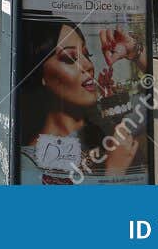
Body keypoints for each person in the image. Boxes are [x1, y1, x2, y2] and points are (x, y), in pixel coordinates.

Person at [16, 20, 147, 184]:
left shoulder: (111, 126)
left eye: (86, 54)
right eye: (70, 58)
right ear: (41, 74)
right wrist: (114, 173)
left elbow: (151, 97)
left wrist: (134, 51)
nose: (88, 65)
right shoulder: (30, 161)